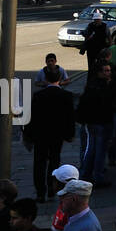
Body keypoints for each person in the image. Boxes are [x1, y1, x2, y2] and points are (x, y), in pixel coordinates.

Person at [26, 68, 75, 202]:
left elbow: (32, 117)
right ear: (60, 78)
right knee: (54, 161)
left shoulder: (38, 95)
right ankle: (52, 189)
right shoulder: (66, 95)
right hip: (57, 134)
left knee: (39, 163)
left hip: (40, 134)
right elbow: (70, 117)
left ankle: (40, 192)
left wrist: (28, 135)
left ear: (46, 79)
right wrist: (70, 134)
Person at [75, 62, 115, 185]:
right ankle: (91, 175)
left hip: (101, 122)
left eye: (109, 70)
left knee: (97, 150)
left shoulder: (99, 85)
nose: (108, 73)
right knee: (94, 149)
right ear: (99, 73)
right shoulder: (98, 87)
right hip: (96, 122)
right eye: (105, 71)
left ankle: (92, 174)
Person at [40, 165, 79, 231]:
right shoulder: (63, 203)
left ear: (60, 184)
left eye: (54, 181)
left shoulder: (70, 208)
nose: (52, 183)